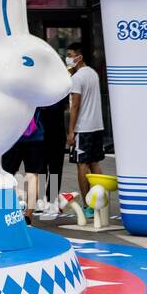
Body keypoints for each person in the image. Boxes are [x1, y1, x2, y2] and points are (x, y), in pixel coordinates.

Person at [65, 41, 106, 213]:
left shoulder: (77, 78)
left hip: (83, 128)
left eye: (70, 55)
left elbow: (75, 105)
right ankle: (100, 203)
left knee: (82, 165)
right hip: (97, 126)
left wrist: (71, 131)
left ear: (79, 57)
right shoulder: (93, 74)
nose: (67, 59)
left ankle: (88, 206)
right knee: (95, 164)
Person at [1, 112, 44, 223]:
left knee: (6, 174)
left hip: (13, 137)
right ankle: (28, 215)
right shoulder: (36, 94)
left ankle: (7, 210)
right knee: (32, 175)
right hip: (35, 135)